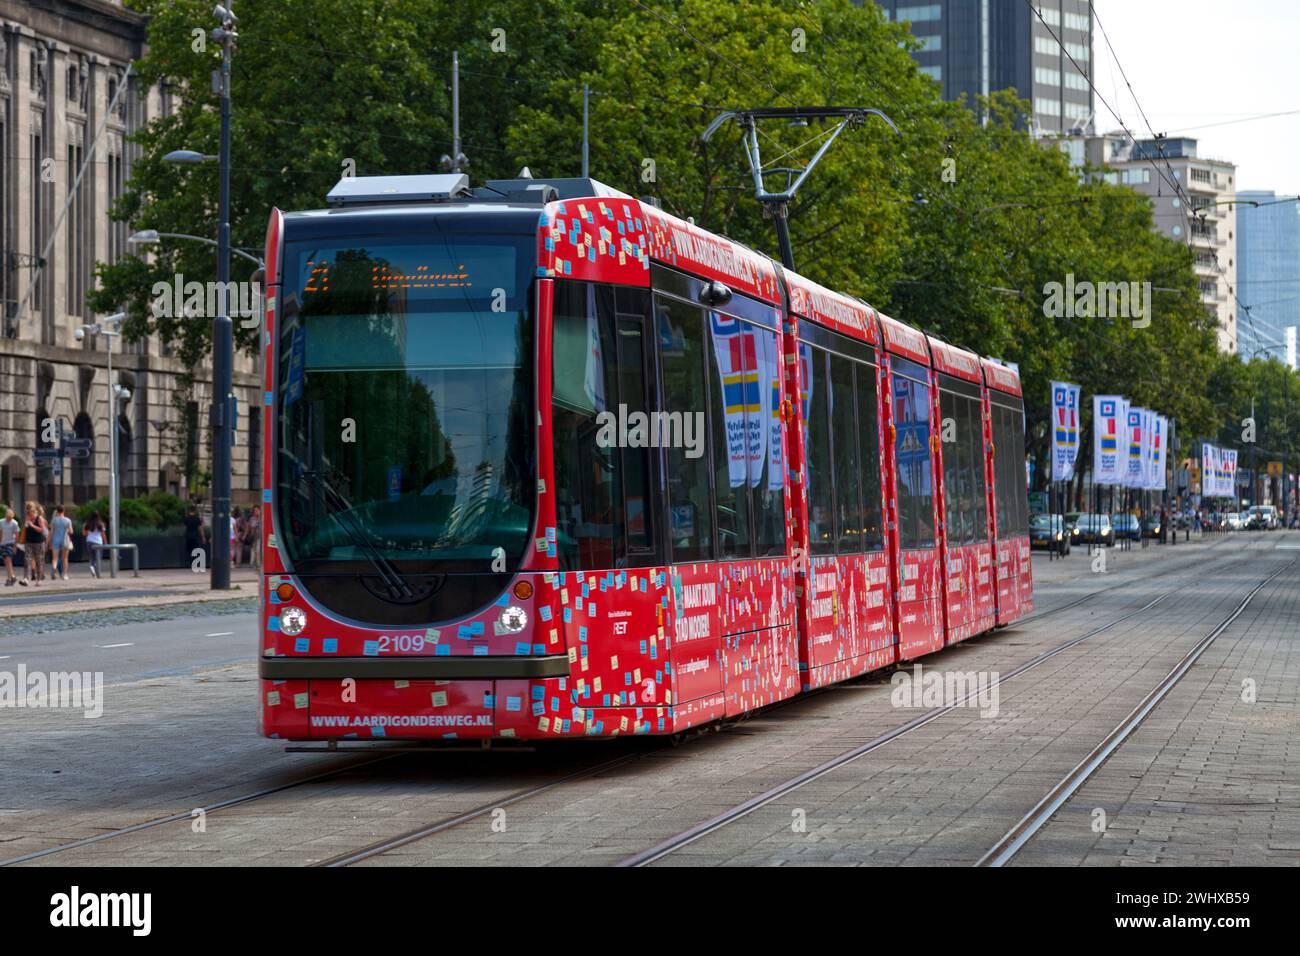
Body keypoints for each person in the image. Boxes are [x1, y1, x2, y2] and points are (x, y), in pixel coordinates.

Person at [21, 502, 48, 586]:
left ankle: (39, 579)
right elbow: (26, 529)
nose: (29, 515)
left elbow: (42, 530)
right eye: (28, 513)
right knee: (27, 559)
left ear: (34, 512)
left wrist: (32, 525)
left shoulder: (39, 519)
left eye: (30, 513)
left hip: (39, 543)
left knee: (38, 561)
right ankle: (26, 578)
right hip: (28, 542)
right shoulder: (28, 519)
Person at [50, 505, 73, 580]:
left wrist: (49, 541)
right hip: (64, 540)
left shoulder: (54, 520)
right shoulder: (67, 520)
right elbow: (71, 531)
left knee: (55, 558)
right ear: (64, 511)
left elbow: (51, 532)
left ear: (57, 511)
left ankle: (54, 569)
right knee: (65, 558)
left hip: (55, 540)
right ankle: (64, 574)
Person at [83, 511, 105, 578]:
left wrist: (89, 534)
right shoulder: (101, 524)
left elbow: (84, 533)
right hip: (98, 542)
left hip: (89, 541)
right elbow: (103, 534)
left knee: (92, 557)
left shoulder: (88, 524)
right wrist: (105, 542)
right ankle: (96, 571)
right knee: (98, 557)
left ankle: (92, 567)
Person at [1, 507, 19, 586]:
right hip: (3, 544)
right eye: (8, 518)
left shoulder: (14, 523)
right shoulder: (1, 522)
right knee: (6, 562)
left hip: (10, 543)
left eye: (10, 518)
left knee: (8, 561)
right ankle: (11, 577)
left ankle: (11, 577)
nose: (9, 519)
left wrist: (15, 546)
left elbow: (17, 535)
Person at [246, 505, 261, 570]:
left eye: (257, 510)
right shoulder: (251, 519)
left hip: (261, 537)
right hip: (254, 537)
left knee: (257, 551)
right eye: (255, 511)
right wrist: (245, 535)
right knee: (255, 551)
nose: (256, 512)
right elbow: (248, 527)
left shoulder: (262, 518)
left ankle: (258, 565)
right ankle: (255, 564)